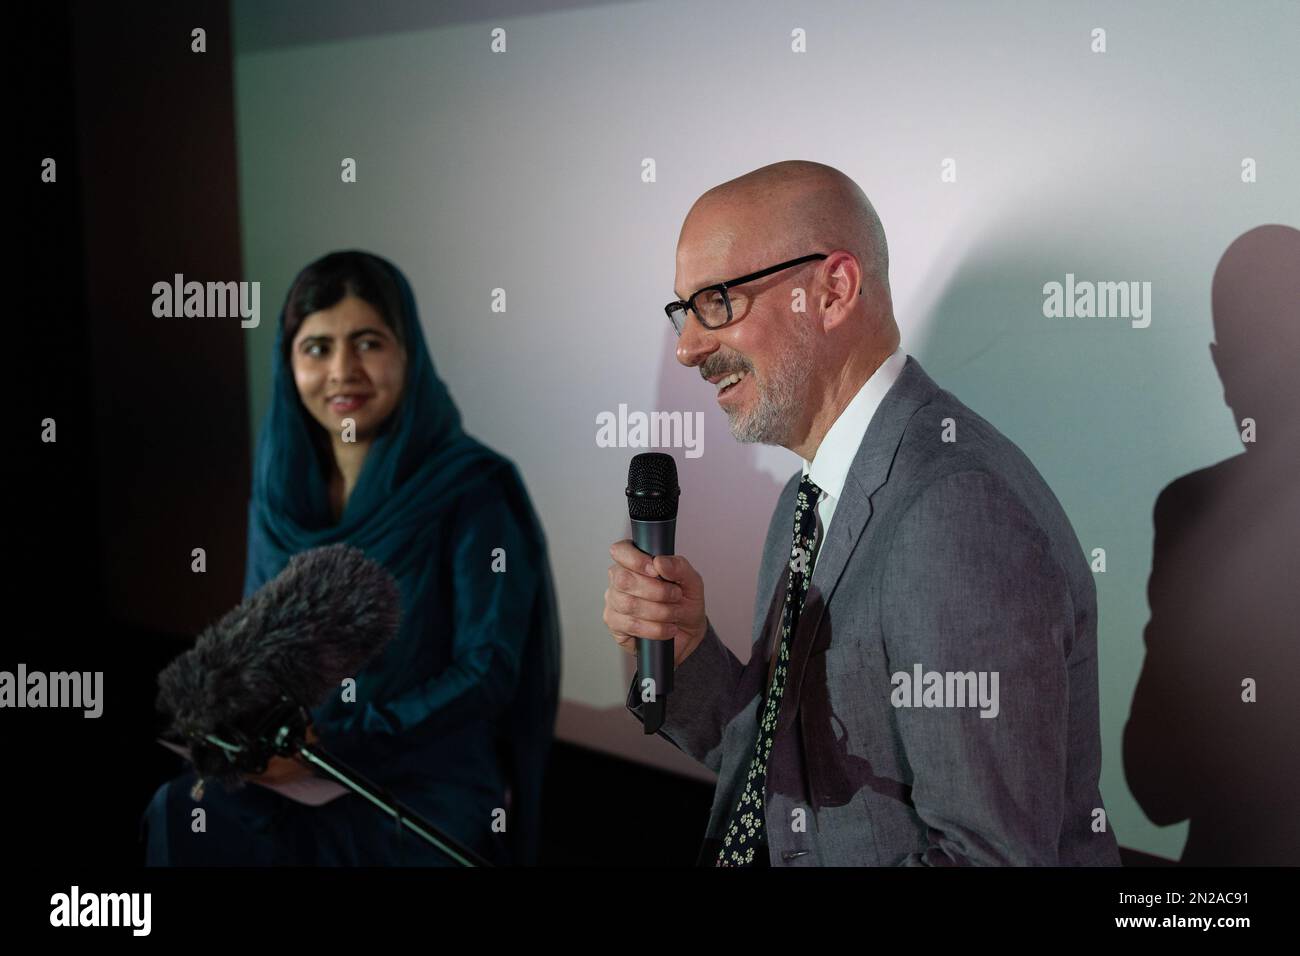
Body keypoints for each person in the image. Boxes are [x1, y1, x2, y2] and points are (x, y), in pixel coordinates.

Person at [603, 160, 1121, 866]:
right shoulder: (805, 500)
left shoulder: (954, 513)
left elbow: (987, 859)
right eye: (683, 310)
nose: (689, 347)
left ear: (834, 290)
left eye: (717, 301)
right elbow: (787, 781)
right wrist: (688, 656)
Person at [143, 250, 560, 866]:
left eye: (367, 342)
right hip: (292, 769)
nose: (343, 370)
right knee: (184, 812)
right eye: (317, 348)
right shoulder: (280, 490)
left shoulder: (474, 487)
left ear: (407, 352)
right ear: (290, 363)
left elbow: (488, 670)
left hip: (426, 777)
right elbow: (260, 651)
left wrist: (339, 740)